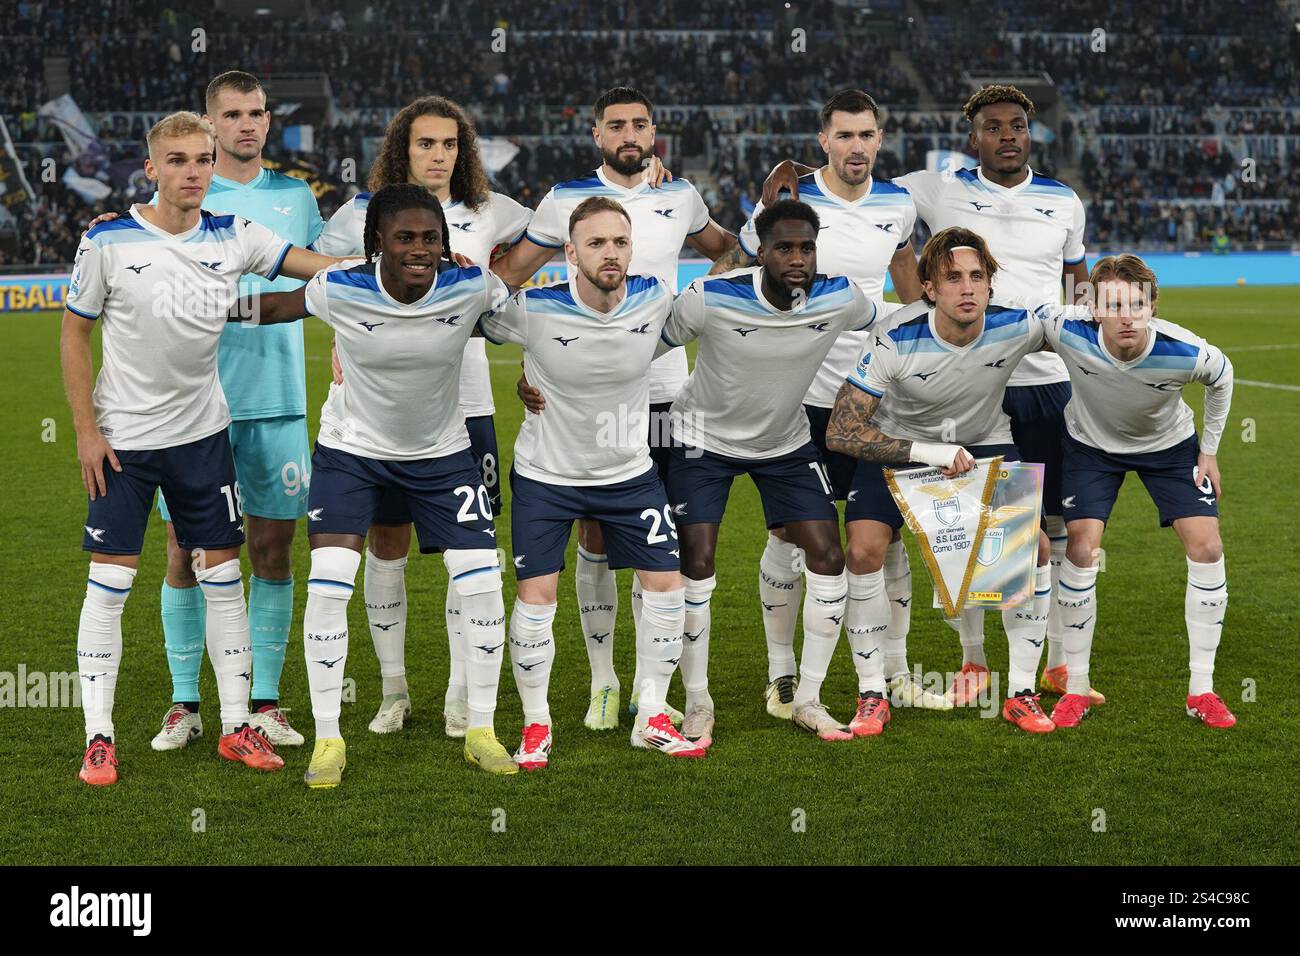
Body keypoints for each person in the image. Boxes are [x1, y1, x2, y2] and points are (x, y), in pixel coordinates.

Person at [764, 85, 1096, 708]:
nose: (1006, 135)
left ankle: (1056, 666)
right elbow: (852, 179)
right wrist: (797, 171)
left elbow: (1076, 273)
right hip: (902, 390)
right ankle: (807, 673)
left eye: (1017, 125)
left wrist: (1087, 322)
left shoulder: (1063, 200)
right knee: (809, 532)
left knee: (1044, 532)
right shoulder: (932, 187)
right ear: (973, 139)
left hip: (1035, 381)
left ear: (1030, 132)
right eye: (992, 126)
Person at [62, 111, 350, 786]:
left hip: (202, 439)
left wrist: (393, 262)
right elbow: (74, 334)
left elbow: (321, 268)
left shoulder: (234, 235)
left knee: (224, 579)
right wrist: (84, 430)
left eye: (202, 159)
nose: (193, 171)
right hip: (125, 444)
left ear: (212, 165)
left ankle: (235, 726)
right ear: (152, 167)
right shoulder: (106, 239)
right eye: (179, 160)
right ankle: (98, 737)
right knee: (111, 586)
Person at [233, 184, 517, 786]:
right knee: (330, 584)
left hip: (443, 456)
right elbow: (278, 307)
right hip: (352, 456)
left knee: (484, 582)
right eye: (405, 238)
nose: (420, 249)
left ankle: (483, 729)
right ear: (376, 243)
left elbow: (530, 328)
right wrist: (204, 308)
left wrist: (534, 380)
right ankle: (329, 737)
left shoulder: (471, 284)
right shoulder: (340, 287)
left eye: (431, 238)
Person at [497, 87, 738, 730]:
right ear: (597, 135)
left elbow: (729, 253)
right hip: (585, 401)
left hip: (665, 393)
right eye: (616, 126)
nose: (629, 135)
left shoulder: (679, 195)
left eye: (640, 124)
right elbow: (509, 280)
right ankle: (606, 680)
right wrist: (535, 363)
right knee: (597, 537)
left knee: (678, 545)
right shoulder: (563, 200)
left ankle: (680, 692)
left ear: (653, 131)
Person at [705, 89, 941, 719]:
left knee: (882, 540)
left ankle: (892, 673)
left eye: (867, 135)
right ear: (824, 141)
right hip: (801, 395)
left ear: (879, 140)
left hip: (874, 398)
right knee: (790, 534)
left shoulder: (898, 204)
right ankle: (783, 676)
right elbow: (739, 270)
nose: (857, 147)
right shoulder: (791, 199)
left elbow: (909, 290)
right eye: (845, 135)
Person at [316, 96, 531, 739]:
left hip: (467, 410)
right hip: (380, 416)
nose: (438, 156)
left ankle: (461, 697)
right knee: (387, 549)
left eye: (449, 145)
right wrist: (347, 331)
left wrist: (650, 176)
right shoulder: (362, 212)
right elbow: (333, 273)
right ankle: (393, 692)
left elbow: (559, 230)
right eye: (424, 145)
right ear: (400, 151)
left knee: (468, 560)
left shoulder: (492, 210)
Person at [479, 197, 706, 767]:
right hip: (546, 478)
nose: (611, 253)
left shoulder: (656, 298)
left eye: (620, 242)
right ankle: (537, 724)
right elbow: (459, 316)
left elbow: (723, 292)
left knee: (667, 587)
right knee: (536, 599)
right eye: (597, 243)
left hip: (629, 474)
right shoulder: (533, 308)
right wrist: (522, 380)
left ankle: (651, 713)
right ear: (571, 251)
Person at [144, 70, 324, 753]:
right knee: (185, 553)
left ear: (268, 121)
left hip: (277, 402)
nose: (246, 124)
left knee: (273, 550)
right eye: (232, 114)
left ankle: (265, 701)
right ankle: (184, 703)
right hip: (194, 407)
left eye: (256, 113)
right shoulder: (182, 195)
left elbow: (327, 276)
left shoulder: (295, 196)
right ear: (209, 124)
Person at [658, 199, 881, 746]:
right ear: (760, 252)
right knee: (697, 561)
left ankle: (807, 697)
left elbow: (894, 319)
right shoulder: (712, 297)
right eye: (784, 247)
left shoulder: (840, 296)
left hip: (785, 443)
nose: (798, 257)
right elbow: (642, 344)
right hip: (699, 442)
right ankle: (697, 700)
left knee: (829, 556)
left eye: (807, 246)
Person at [824, 226, 1058, 735]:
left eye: (978, 277)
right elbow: (842, 431)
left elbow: (1090, 337)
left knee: (1034, 548)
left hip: (986, 443)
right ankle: (872, 692)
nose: (968, 288)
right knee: (863, 550)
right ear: (929, 287)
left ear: (991, 285)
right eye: (953, 278)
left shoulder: (1017, 325)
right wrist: (931, 451)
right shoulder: (894, 337)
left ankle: (1021, 691)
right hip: (901, 446)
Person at [1032, 255, 1236, 728]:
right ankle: (1076, 687)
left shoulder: (1185, 350)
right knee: (1082, 550)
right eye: (1114, 304)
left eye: (1136, 304)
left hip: (1168, 448)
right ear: (1093, 309)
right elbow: (1016, 325)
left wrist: (1209, 452)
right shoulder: (1067, 329)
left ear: (1152, 306)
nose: (1126, 315)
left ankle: (1201, 689)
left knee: (1207, 547)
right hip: (1090, 448)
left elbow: (1223, 378)